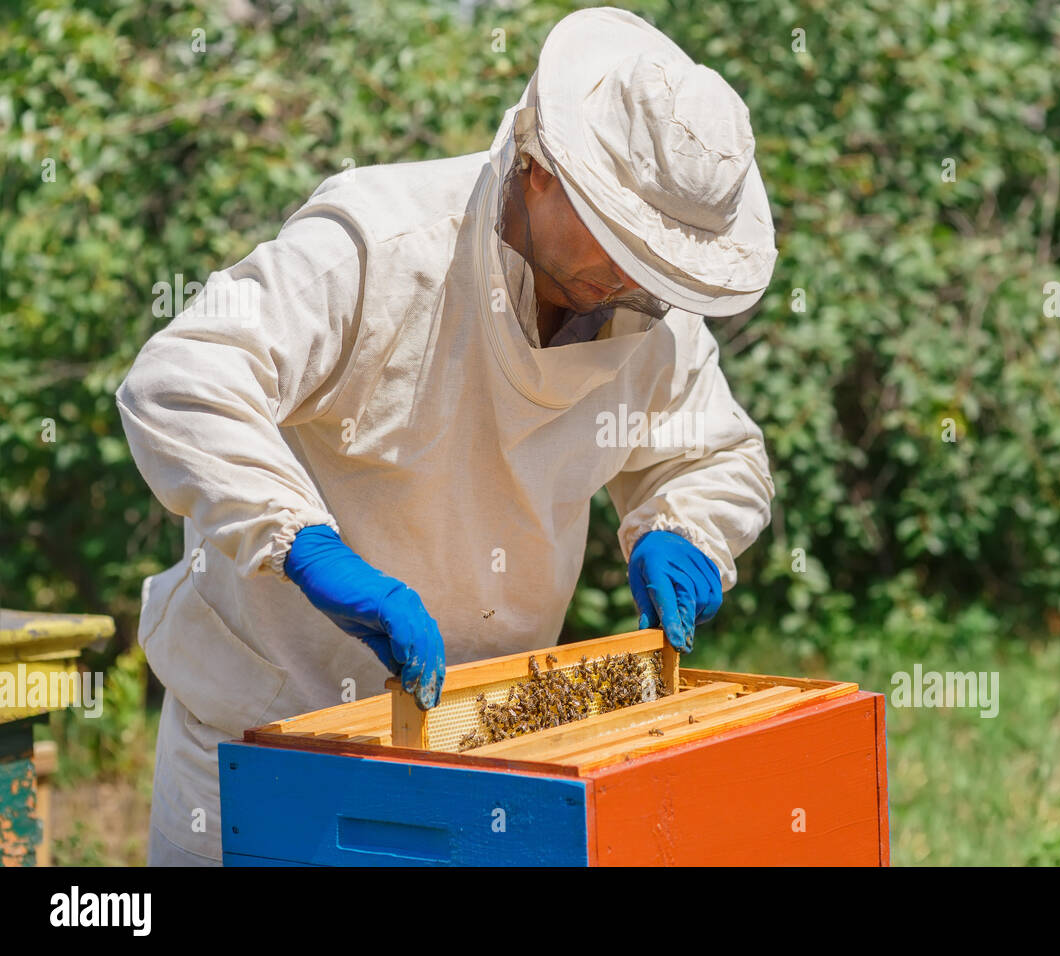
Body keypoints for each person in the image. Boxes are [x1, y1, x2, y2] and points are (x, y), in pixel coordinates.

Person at [116, 6, 777, 866]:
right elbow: (185, 378)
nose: (630, 278)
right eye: (620, 242)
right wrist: (306, 546)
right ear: (542, 167)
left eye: (657, 264)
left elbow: (716, 452)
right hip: (262, 728)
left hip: (484, 750)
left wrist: (684, 531)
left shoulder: (649, 314)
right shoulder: (377, 242)